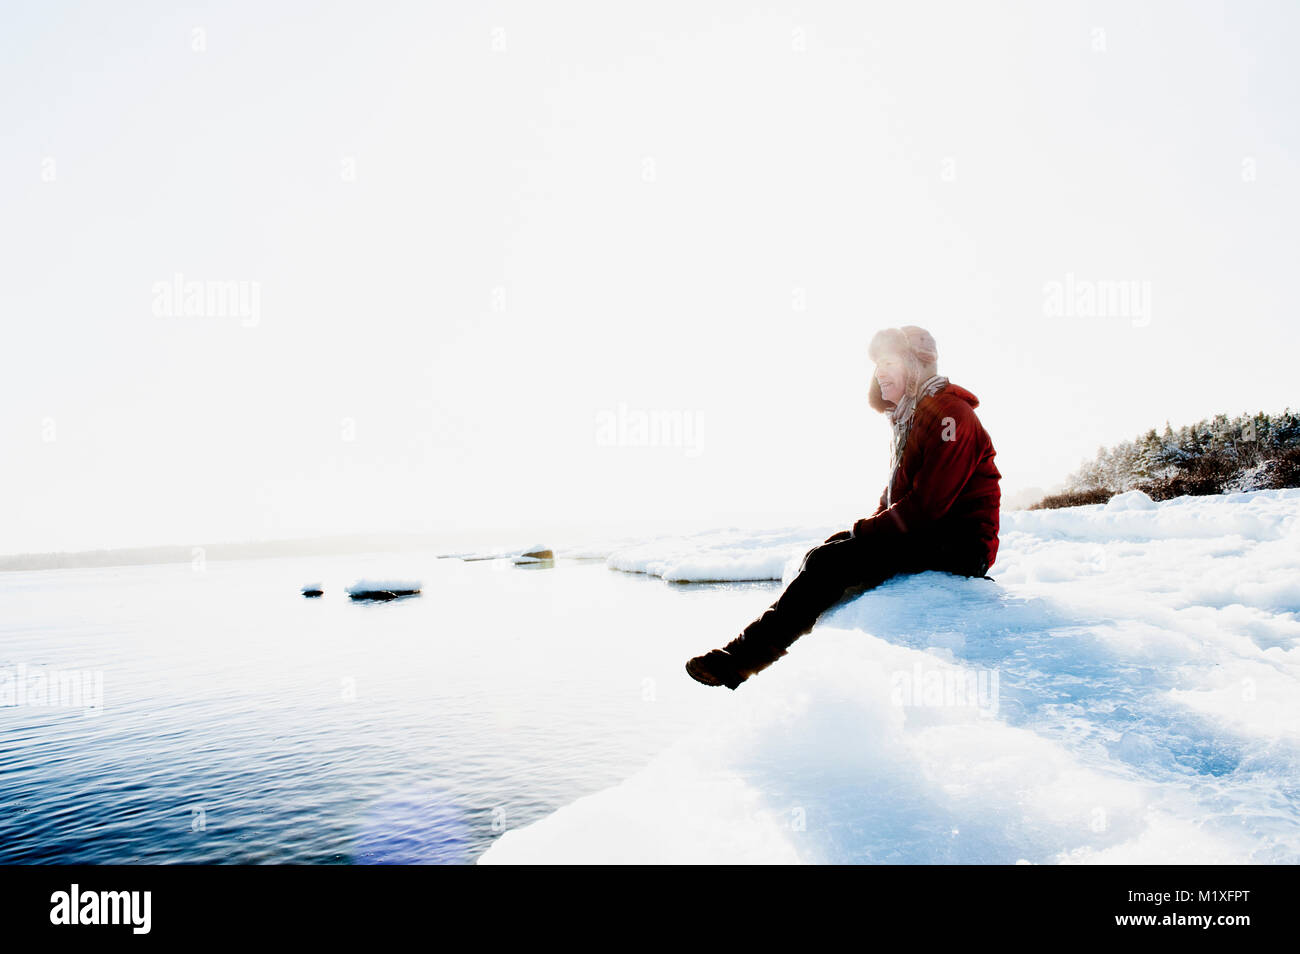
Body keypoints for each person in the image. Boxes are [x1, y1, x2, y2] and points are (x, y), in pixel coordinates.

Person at [685, 326, 1001, 690]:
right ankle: (759, 655)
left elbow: (927, 506)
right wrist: (865, 527)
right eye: (875, 363)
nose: (878, 372)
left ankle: (739, 661)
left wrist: (865, 532)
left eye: (887, 361)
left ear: (916, 364)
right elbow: (897, 495)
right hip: (932, 537)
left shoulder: (949, 416)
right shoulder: (914, 418)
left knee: (828, 562)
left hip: (959, 546)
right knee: (829, 550)